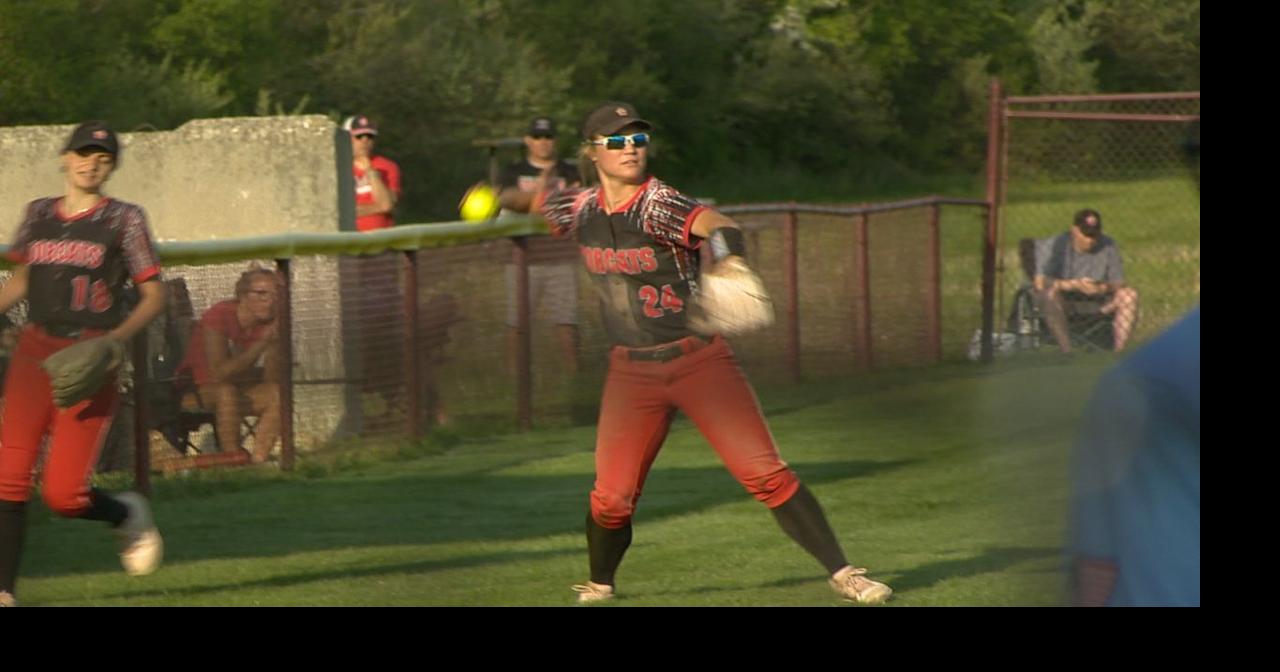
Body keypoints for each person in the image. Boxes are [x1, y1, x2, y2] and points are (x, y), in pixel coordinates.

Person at [537, 102, 891, 604]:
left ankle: (844, 573)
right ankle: (599, 585)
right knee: (611, 498)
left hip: (696, 360)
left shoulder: (658, 203)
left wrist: (727, 262)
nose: (631, 147)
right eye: (616, 140)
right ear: (593, 152)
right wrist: (508, 193)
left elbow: (721, 225)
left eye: (637, 138)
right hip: (630, 372)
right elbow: (551, 210)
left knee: (764, 474)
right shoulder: (580, 209)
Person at [0, 121, 167, 607]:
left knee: (64, 496)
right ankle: (5, 590)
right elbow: (21, 281)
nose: (91, 162)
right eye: (83, 153)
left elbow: (153, 296)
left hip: (89, 354)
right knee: (8, 475)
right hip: (35, 351)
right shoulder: (38, 214)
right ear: (64, 158)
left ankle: (123, 513)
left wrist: (112, 343)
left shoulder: (124, 220)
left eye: (103, 156)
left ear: (111, 166)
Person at [1066, 121, 1200, 607]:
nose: (1090, 236)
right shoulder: (1151, 383)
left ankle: (1110, 339)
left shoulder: (1149, 381)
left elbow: (1100, 565)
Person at [497, 116, 582, 375]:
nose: (543, 142)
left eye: (548, 137)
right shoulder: (512, 171)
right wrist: (544, 188)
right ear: (527, 140)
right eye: (537, 137)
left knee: (567, 320)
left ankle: (573, 375)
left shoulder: (569, 171)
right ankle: (514, 376)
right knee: (518, 320)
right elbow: (512, 202)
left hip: (560, 256)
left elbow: (574, 205)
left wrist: (537, 200)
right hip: (523, 259)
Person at [176, 267, 283, 463]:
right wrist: (261, 345)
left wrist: (276, 344)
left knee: (277, 393)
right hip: (195, 391)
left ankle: (258, 461)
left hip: (237, 390)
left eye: (276, 295)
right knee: (226, 391)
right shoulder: (219, 315)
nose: (270, 300)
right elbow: (219, 374)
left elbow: (271, 378)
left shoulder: (269, 323)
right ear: (242, 295)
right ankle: (232, 459)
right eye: (261, 293)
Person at [1034, 209, 1139, 352]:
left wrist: (1101, 288)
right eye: (1086, 235)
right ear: (1074, 230)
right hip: (1065, 303)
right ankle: (1067, 351)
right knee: (1049, 295)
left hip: (1099, 304)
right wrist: (1074, 285)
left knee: (1129, 295)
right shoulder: (1055, 245)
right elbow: (1040, 282)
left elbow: (1119, 282)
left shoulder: (1108, 245)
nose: (1091, 240)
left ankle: (1118, 352)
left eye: (1095, 235)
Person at [343, 115, 401, 232]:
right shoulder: (338, 168)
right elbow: (337, 212)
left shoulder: (388, 166)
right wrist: (377, 207)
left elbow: (387, 205)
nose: (365, 140)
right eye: (359, 136)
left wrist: (370, 171)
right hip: (348, 238)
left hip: (382, 239)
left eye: (370, 136)